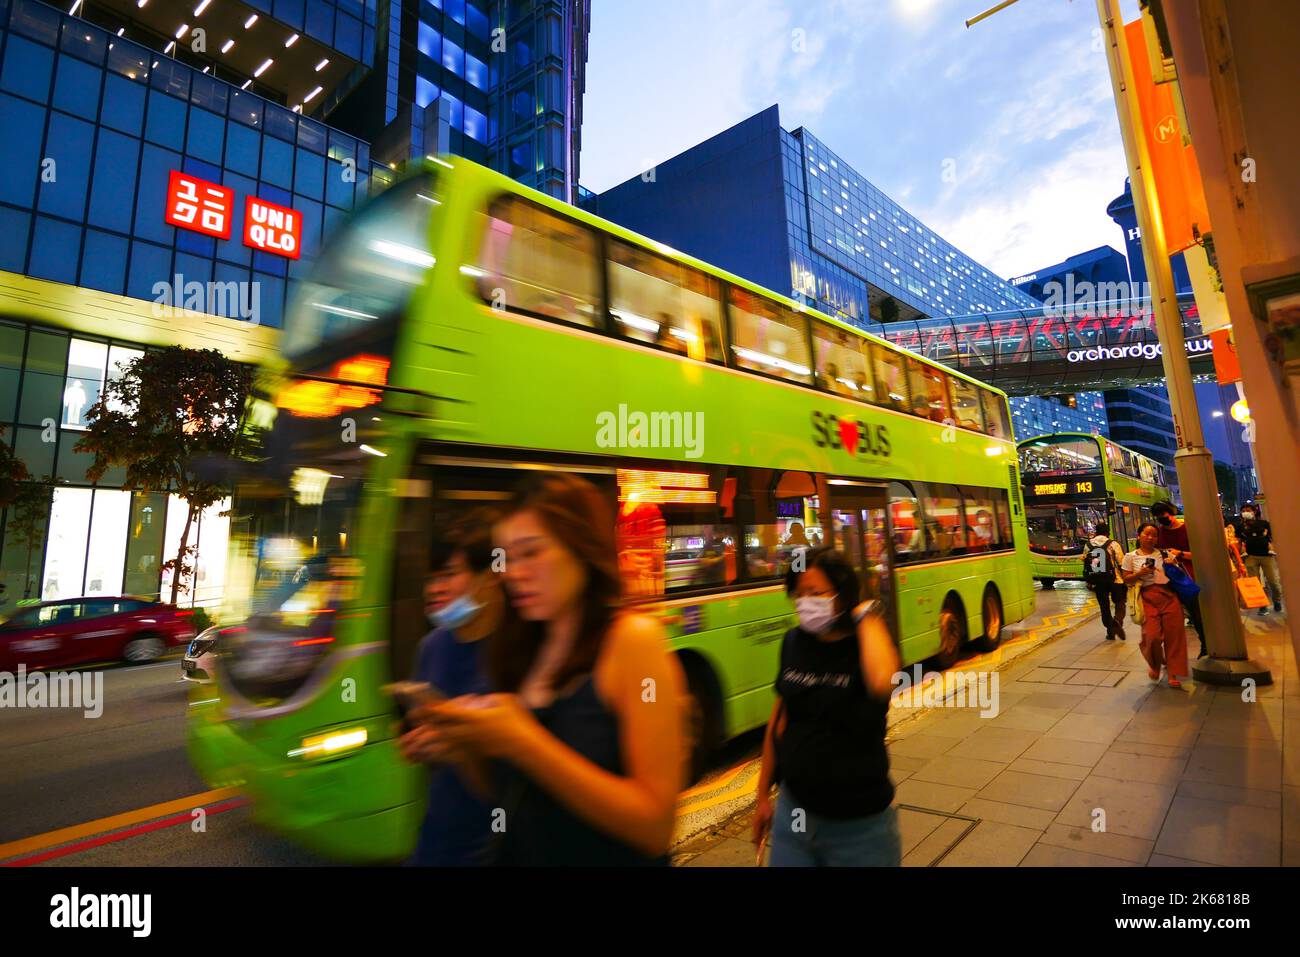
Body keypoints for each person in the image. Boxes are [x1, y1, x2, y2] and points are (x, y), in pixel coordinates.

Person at [415, 473, 685, 865]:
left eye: (532, 552)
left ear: (580, 547)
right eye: (506, 557)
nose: (512, 572)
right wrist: (463, 747)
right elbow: (508, 792)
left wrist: (525, 742)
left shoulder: (633, 642)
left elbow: (655, 828)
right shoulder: (522, 644)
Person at [752, 547, 902, 866]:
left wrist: (864, 614)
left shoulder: (865, 644)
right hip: (795, 817)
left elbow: (882, 681)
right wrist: (763, 794)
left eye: (815, 592)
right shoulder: (794, 642)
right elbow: (780, 719)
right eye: (798, 594)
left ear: (842, 595)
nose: (805, 602)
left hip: (860, 830)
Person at [398, 512, 505, 866]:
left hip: (493, 849)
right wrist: (418, 740)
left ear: (488, 578)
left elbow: (521, 790)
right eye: (430, 578)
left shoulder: (516, 656)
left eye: (448, 575)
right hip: (435, 844)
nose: (434, 589)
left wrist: (460, 749)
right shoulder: (431, 646)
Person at [1122, 522, 1190, 689]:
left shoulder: (1164, 554)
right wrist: (1140, 573)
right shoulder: (1130, 557)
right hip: (1146, 597)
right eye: (1146, 534)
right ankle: (1155, 664)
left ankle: (1173, 673)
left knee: (1174, 636)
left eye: (1154, 534)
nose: (1150, 537)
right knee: (1151, 636)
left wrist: (1171, 565)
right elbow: (1126, 579)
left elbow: (1179, 574)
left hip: (1169, 596)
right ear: (1139, 536)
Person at [1151, 501, 1206, 658]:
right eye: (1158, 517)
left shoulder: (1187, 529)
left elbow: (1200, 554)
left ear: (1172, 512)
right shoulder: (1160, 532)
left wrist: (1179, 554)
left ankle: (1205, 646)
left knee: (1196, 615)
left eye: (1164, 515)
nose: (1162, 519)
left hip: (1188, 577)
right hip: (1167, 578)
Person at [1085, 521, 1127, 641]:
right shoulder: (1113, 544)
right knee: (1120, 603)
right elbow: (1121, 562)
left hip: (1098, 580)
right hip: (1115, 579)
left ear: (1096, 532)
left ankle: (1110, 631)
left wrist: (1089, 580)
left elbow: (1086, 561)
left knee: (1104, 606)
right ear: (1107, 532)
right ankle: (1117, 621)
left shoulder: (1088, 545)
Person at [1239, 504, 1283, 614]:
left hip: (1266, 556)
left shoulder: (1264, 523)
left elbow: (1272, 537)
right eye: (1243, 510)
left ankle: (1277, 600)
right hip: (1250, 557)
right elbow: (1238, 540)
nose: (1245, 512)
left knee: (1273, 581)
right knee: (1255, 584)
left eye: (1248, 510)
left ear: (1254, 512)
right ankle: (1262, 606)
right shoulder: (1240, 526)